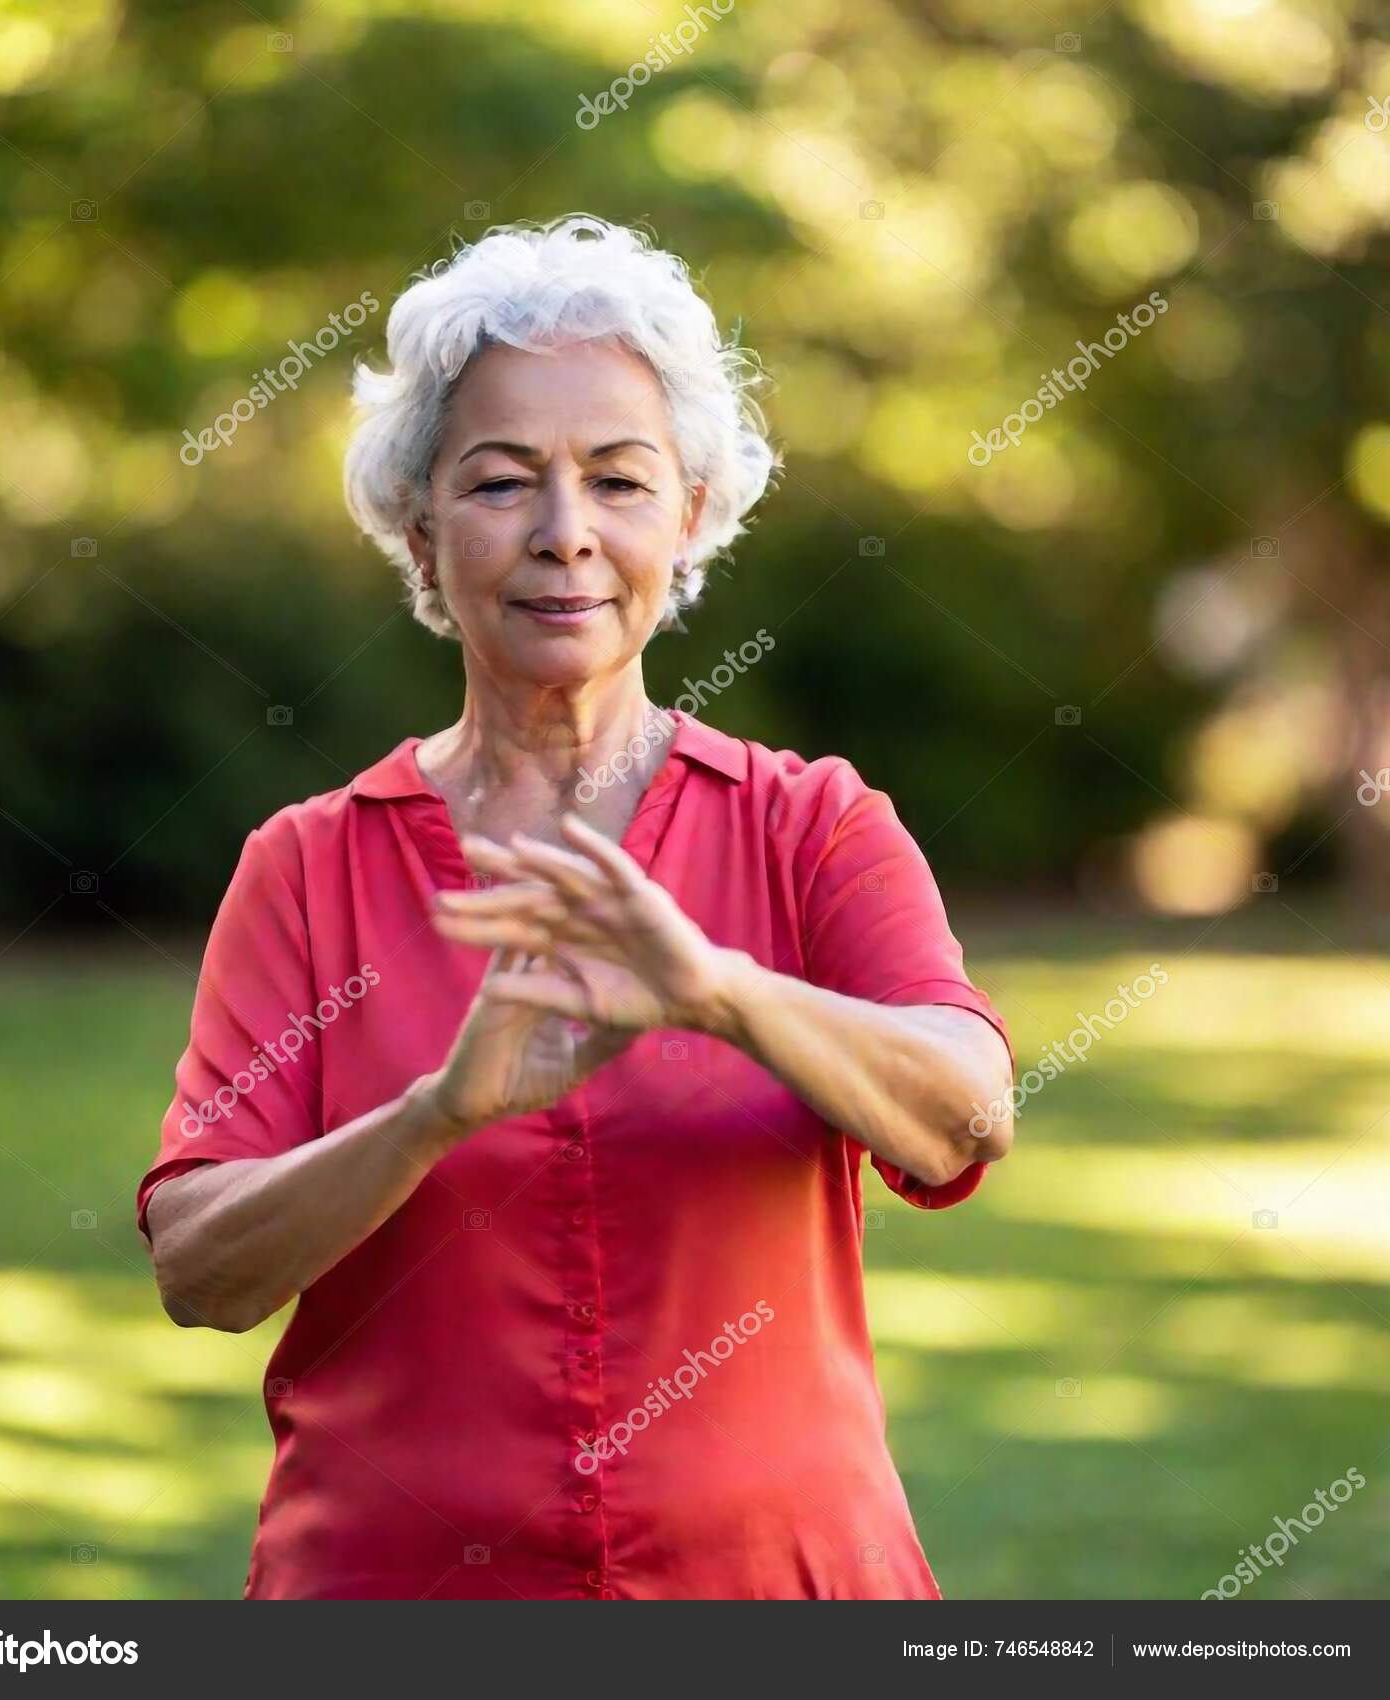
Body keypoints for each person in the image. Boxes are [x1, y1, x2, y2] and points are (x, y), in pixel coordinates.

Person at [137, 215, 1015, 1600]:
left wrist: (718, 990)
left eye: (618, 480)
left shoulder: (814, 826)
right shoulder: (308, 866)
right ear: (420, 528)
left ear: (690, 514)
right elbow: (201, 1267)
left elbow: (968, 1116)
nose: (565, 535)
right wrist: (436, 1114)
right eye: (500, 482)